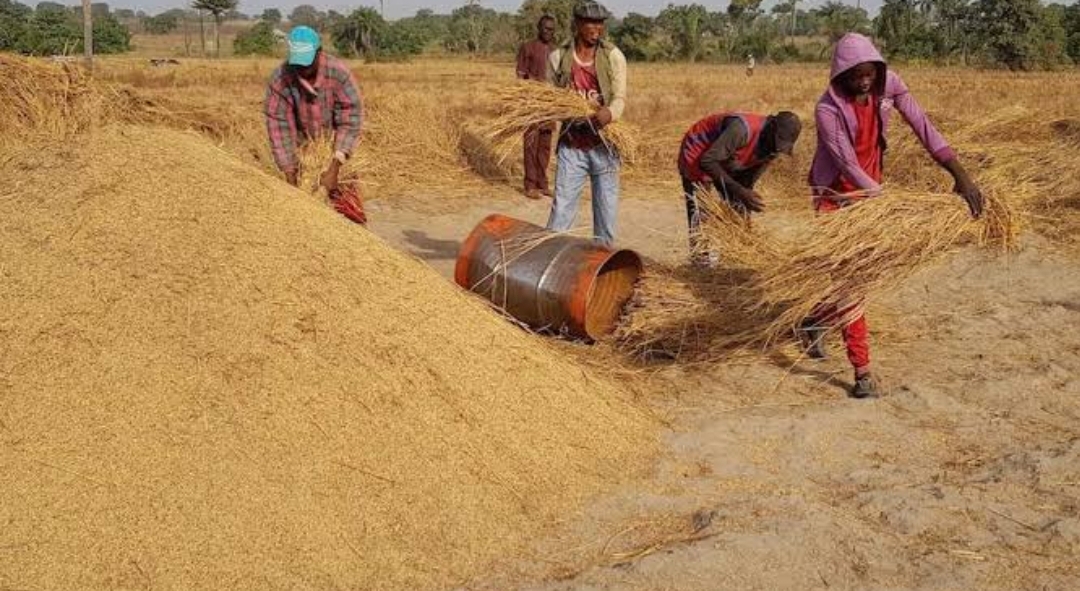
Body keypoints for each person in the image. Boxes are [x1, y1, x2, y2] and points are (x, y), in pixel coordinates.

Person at [805, 32, 984, 399]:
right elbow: (848, 165)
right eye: (856, 76)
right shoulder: (827, 109)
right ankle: (862, 370)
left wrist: (960, 175)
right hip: (834, 197)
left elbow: (924, 128)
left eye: (870, 73)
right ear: (840, 75)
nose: (865, 82)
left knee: (855, 275)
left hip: (872, 194)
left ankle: (813, 320)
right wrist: (888, 203)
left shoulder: (889, 87)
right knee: (852, 279)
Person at [545, 0, 627, 247]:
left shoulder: (613, 56)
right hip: (571, 148)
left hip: (605, 147)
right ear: (578, 24)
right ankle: (551, 265)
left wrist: (609, 114)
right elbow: (549, 98)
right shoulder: (558, 57)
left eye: (600, 23)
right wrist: (564, 113)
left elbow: (620, 98)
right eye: (591, 22)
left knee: (606, 214)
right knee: (561, 212)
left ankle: (602, 268)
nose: (596, 28)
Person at [264, 26, 366, 224]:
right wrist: (290, 175)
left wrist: (335, 166)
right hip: (304, 153)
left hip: (339, 151)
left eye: (307, 63)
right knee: (301, 219)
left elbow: (350, 117)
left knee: (350, 215)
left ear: (319, 53)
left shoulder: (338, 73)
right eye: (298, 64)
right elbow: (279, 126)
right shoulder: (281, 79)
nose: (303, 70)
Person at [678, 111, 801, 267]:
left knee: (738, 206)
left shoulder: (773, 146)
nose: (776, 149)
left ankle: (730, 259)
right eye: (776, 142)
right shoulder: (742, 129)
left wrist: (744, 200)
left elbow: (747, 181)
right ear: (771, 127)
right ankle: (700, 263)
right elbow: (707, 161)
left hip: (723, 158)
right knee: (701, 209)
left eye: (780, 146)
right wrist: (740, 191)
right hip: (699, 151)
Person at [516, 15, 557, 200]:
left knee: (545, 145)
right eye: (546, 29)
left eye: (552, 29)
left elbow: (560, 79)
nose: (549, 32)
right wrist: (528, 94)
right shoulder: (528, 47)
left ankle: (543, 183)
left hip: (549, 104)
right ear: (538, 28)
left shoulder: (556, 51)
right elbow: (520, 76)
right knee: (531, 144)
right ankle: (530, 185)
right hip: (532, 103)